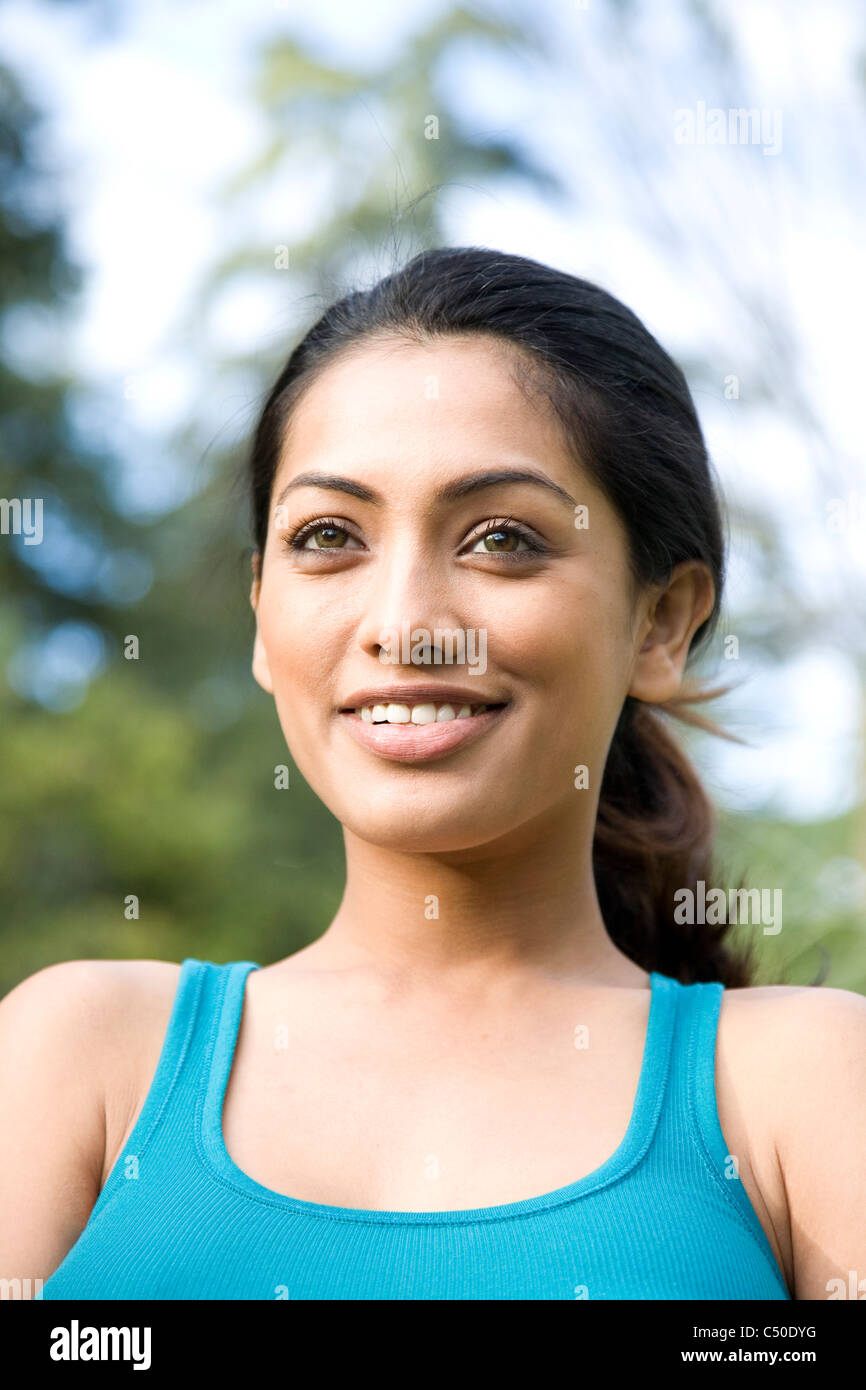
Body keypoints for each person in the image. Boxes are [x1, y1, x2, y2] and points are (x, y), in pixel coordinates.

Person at [2, 247, 864, 1300]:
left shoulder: (802, 1087)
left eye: (501, 538)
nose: (405, 625)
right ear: (262, 617)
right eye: (327, 537)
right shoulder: (75, 1059)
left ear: (659, 622)